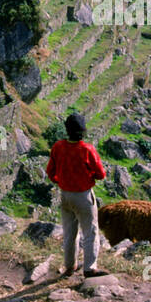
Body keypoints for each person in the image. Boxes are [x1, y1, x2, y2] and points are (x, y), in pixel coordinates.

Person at [46, 112, 107, 278]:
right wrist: (89, 177)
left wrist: (60, 180)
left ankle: (69, 266)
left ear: (67, 130)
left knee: (69, 232)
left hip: (65, 194)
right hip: (83, 195)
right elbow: (101, 173)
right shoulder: (87, 150)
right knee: (90, 232)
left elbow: (50, 171)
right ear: (83, 131)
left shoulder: (58, 147)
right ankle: (89, 268)